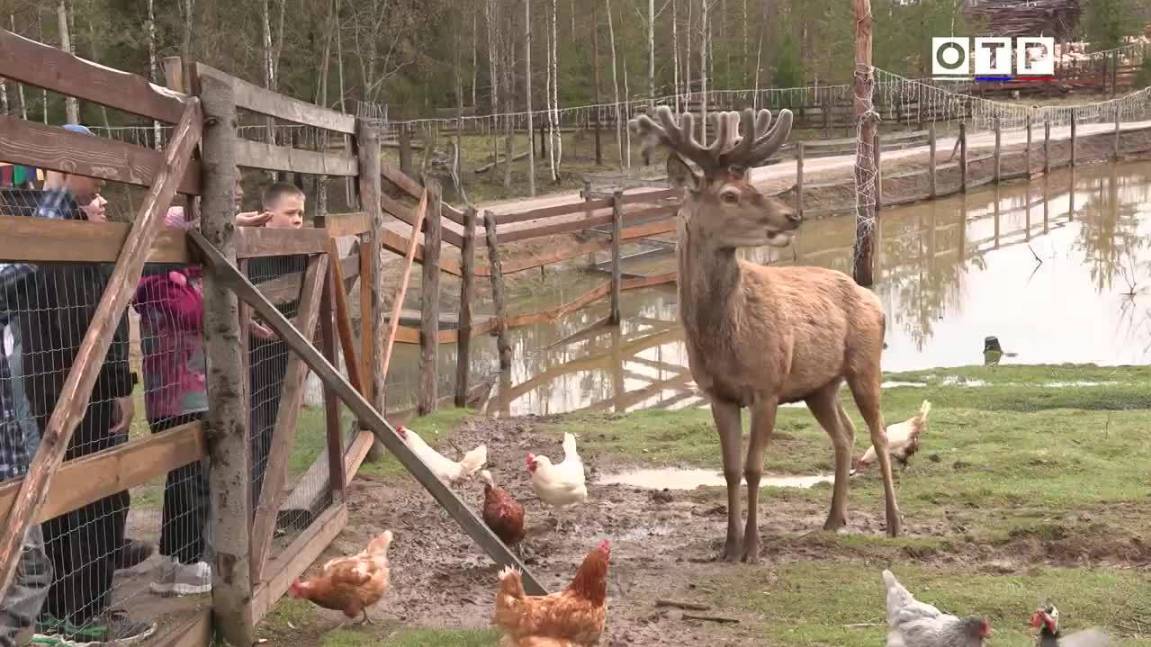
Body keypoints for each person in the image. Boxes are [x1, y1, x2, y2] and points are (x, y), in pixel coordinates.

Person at [14, 124, 155, 644]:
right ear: (67, 165)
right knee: (96, 494)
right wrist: (117, 379)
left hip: (58, 384)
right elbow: (94, 316)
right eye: (92, 168)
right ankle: (83, 614)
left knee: (80, 497)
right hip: (74, 386)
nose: (101, 182)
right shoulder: (60, 235)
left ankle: (66, 608)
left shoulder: (38, 225)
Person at [134, 206, 213, 597]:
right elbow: (195, 313)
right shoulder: (157, 282)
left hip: (192, 393)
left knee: (187, 477)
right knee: (187, 480)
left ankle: (175, 559)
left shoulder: (183, 276)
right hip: (175, 397)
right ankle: (190, 561)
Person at [247, 182, 305, 513]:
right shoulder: (252, 251)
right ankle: (253, 509)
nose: (298, 220)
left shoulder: (301, 253)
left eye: (301, 213)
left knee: (274, 433)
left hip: (284, 359)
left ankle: (266, 505)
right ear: (268, 215)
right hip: (252, 361)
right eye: (291, 213)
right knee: (253, 436)